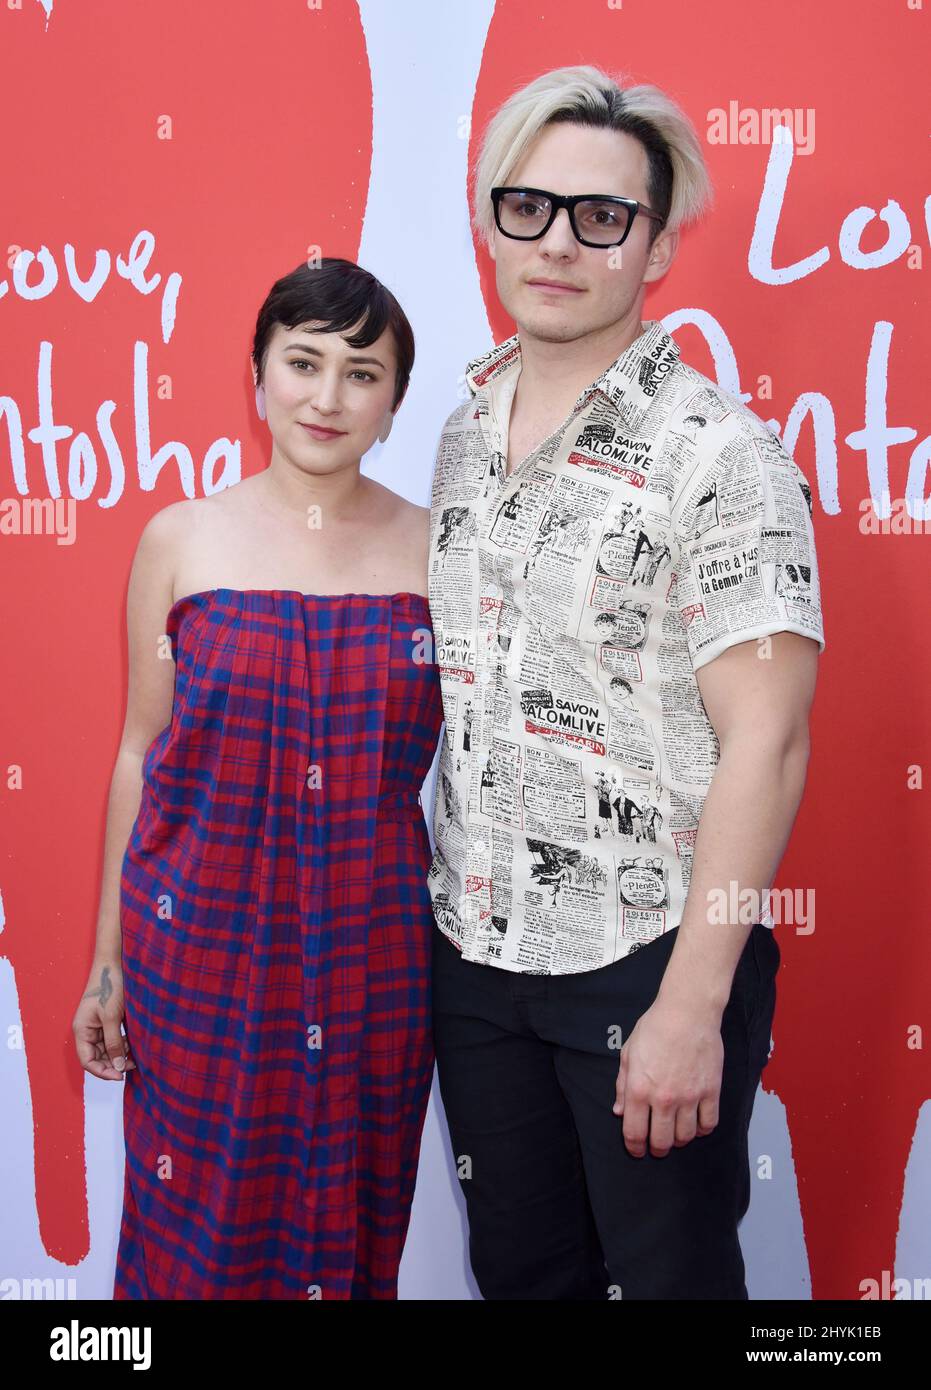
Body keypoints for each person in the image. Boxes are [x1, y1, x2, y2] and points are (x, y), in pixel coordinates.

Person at [426, 66, 825, 1299]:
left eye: (602, 216)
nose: (559, 241)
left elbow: (767, 742)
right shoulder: (461, 422)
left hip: (646, 955)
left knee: (669, 1284)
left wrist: (691, 1006)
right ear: (490, 220)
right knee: (524, 1277)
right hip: (475, 947)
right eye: (527, 206)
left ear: (653, 247)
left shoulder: (722, 453)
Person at [72, 258, 444, 1300]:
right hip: (195, 942)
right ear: (258, 375)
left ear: (393, 404)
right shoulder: (180, 539)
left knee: (349, 1210)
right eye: (303, 361)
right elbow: (141, 750)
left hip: (372, 952)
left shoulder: (436, 552)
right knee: (193, 1219)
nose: (327, 397)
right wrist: (109, 959)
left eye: (361, 373)